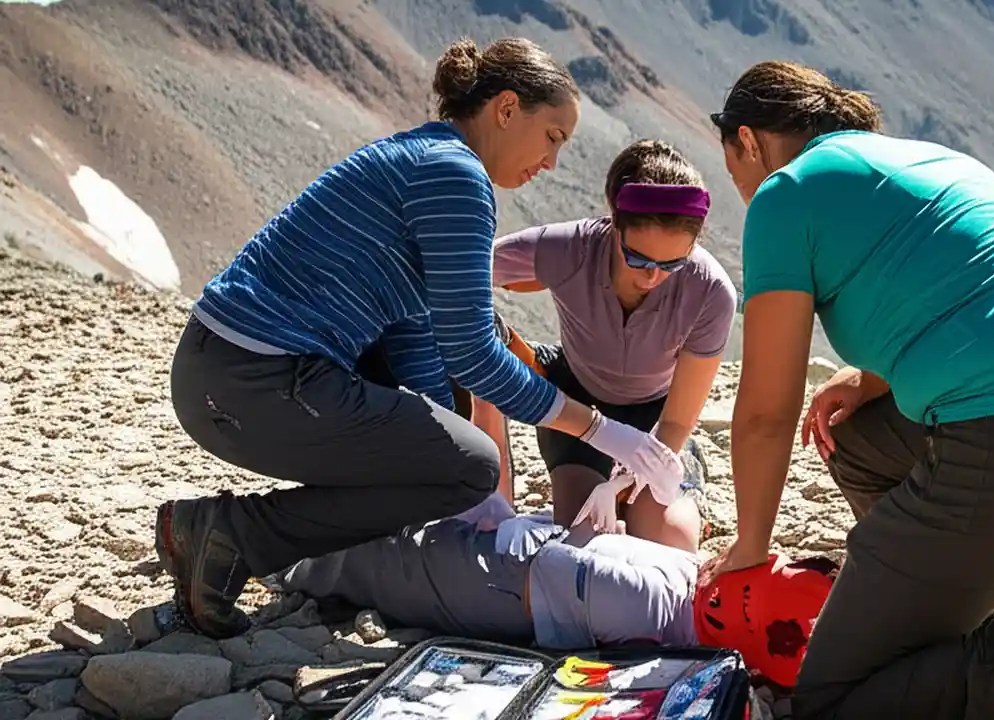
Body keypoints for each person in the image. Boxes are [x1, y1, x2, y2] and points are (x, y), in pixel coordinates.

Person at [687, 60, 994, 720]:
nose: (745, 190)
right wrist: (870, 378)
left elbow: (764, 408)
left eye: (736, 172)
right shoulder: (926, 160)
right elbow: (976, 284)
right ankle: (934, 608)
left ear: (748, 142)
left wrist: (750, 546)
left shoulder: (785, 193)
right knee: (854, 440)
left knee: (835, 699)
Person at [153, 37, 687, 641]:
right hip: (257, 377)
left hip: (225, 373)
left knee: (459, 462)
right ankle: (228, 534)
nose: (552, 162)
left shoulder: (427, 158)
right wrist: (595, 428)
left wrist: (455, 469)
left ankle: (278, 546)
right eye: (553, 137)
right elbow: (471, 352)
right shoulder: (456, 177)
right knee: (467, 465)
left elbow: (414, 339)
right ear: (507, 109)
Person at [266, 488, 835, 690]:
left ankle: (265, 552)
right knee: (387, 549)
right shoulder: (683, 598)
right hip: (530, 562)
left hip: (518, 575)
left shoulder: (664, 607)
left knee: (371, 562)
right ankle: (278, 544)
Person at [478, 139, 737, 551]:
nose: (653, 277)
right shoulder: (569, 249)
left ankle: (689, 470)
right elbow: (463, 267)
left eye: (672, 264)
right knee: (586, 544)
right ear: (614, 225)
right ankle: (490, 506)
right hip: (577, 402)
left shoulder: (711, 291)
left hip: (655, 417)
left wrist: (624, 482)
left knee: (669, 543)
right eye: (639, 259)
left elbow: (674, 422)